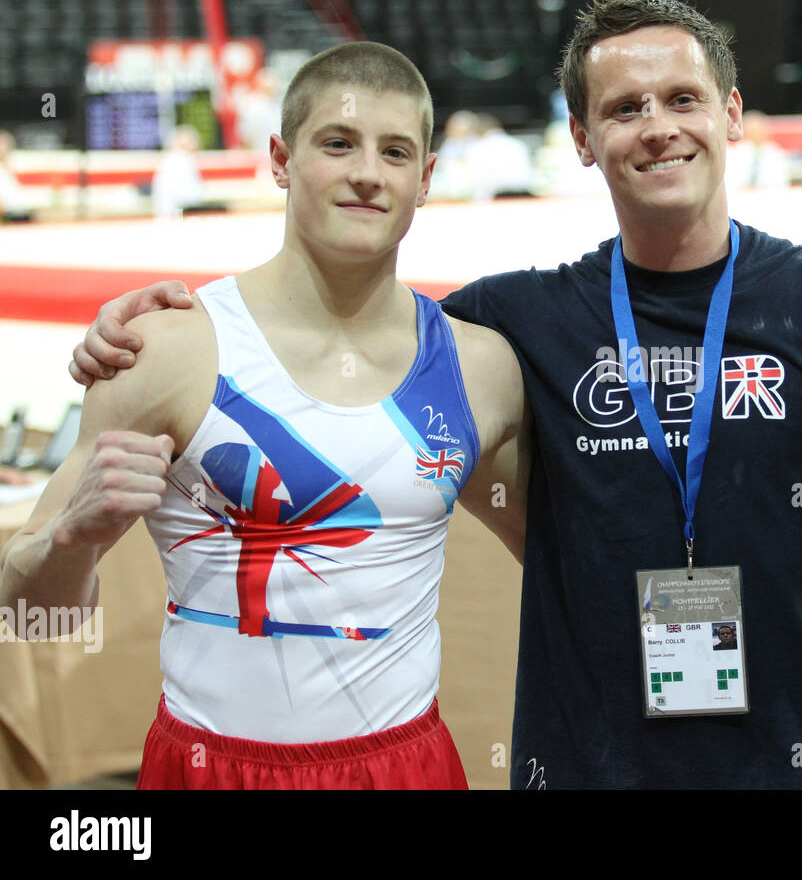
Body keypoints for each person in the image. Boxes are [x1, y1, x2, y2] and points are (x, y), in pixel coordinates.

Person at [68, 0, 802, 789]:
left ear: (731, 115)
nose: (657, 128)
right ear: (582, 138)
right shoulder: (515, 322)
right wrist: (156, 329)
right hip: (591, 762)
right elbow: (351, 333)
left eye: (683, 98)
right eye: (624, 109)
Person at [1, 41, 530, 789]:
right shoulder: (169, 349)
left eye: (395, 151)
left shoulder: (482, 371)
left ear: (427, 178)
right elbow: (29, 617)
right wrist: (71, 537)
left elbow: (568, 564)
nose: (367, 174)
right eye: (338, 144)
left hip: (404, 766)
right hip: (210, 769)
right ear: (280, 159)